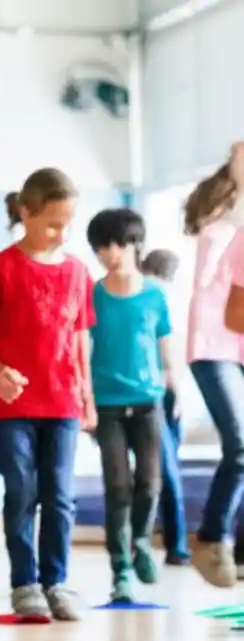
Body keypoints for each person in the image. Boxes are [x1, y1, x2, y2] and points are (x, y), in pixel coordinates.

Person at [0, 169, 94, 621]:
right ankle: (24, 582)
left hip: (63, 402)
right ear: (25, 213)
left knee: (59, 494)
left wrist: (88, 396)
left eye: (67, 224)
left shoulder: (78, 271)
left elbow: (81, 337)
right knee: (22, 489)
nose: (60, 233)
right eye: (51, 223)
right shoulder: (0, 268)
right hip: (11, 406)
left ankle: (56, 580)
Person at [86, 209, 174, 602]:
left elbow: (163, 342)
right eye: (101, 246)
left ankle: (140, 542)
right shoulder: (94, 294)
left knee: (151, 482)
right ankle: (120, 569)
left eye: (116, 244)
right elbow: (81, 348)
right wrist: (83, 398)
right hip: (106, 404)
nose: (109, 253)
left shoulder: (155, 294)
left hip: (148, 402)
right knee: (117, 486)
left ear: (135, 244)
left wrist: (177, 387)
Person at [186, 142, 244, 587]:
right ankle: (210, 536)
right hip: (212, 347)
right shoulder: (221, 232)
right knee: (239, 444)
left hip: (233, 347)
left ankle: (238, 552)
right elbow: (212, 292)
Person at [138, 248, 191, 565]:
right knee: (166, 472)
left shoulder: (157, 295)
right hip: (155, 392)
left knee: (161, 471)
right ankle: (177, 545)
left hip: (166, 391)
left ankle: (173, 544)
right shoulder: (152, 294)